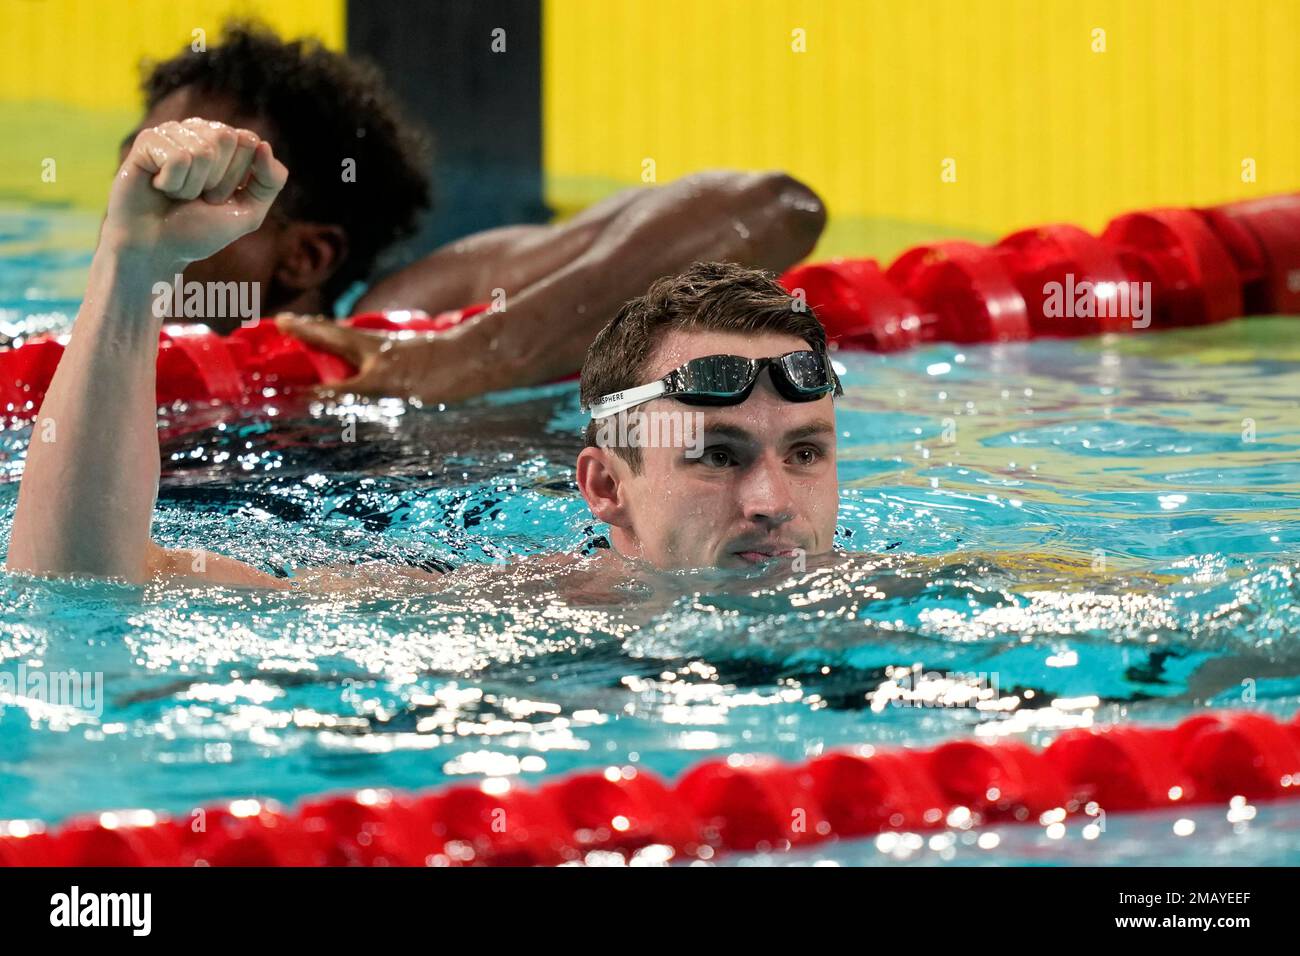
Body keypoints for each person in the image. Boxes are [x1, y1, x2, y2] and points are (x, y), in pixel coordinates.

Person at [5, 121, 841, 587]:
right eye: (716, 455)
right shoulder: (500, 610)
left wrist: (469, 358)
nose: (773, 502)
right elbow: (81, 591)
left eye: (805, 451)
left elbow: (772, 202)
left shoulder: (913, 598)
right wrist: (133, 270)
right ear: (603, 488)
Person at [127, 21, 828, 403]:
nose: (131, 207)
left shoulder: (406, 317)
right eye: (140, 167)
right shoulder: (97, 365)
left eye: (187, 180)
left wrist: (477, 354)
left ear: (306, 255)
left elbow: (775, 206)